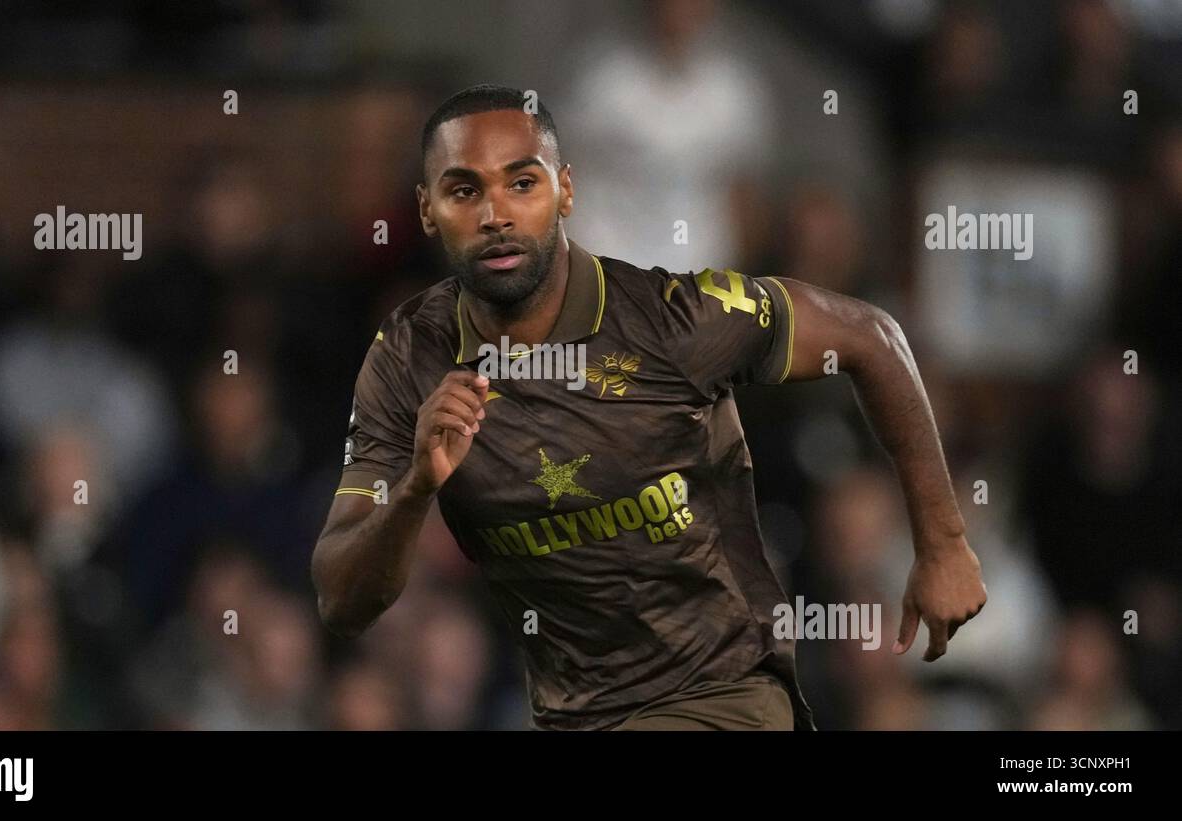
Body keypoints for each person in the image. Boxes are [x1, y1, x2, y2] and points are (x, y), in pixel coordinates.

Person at [311, 85, 987, 730]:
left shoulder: (671, 321)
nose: (497, 215)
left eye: (523, 183)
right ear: (428, 209)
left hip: (723, 698)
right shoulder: (406, 360)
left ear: (566, 190)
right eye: (466, 190)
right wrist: (415, 489)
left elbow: (872, 336)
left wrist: (944, 544)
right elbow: (342, 599)